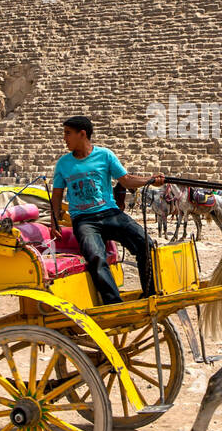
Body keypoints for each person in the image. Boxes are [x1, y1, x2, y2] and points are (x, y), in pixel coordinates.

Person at [49, 116, 164, 305]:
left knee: (145, 243)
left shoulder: (105, 155)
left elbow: (126, 180)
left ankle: (150, 295)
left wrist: (149, 180)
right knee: (95, 257)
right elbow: (56, 196)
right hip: (84, 220)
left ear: (82, 134)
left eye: (68, 133)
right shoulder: (63, 164)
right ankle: (114, 304)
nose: (64, 138)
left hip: (110, 213)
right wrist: (54, 222)